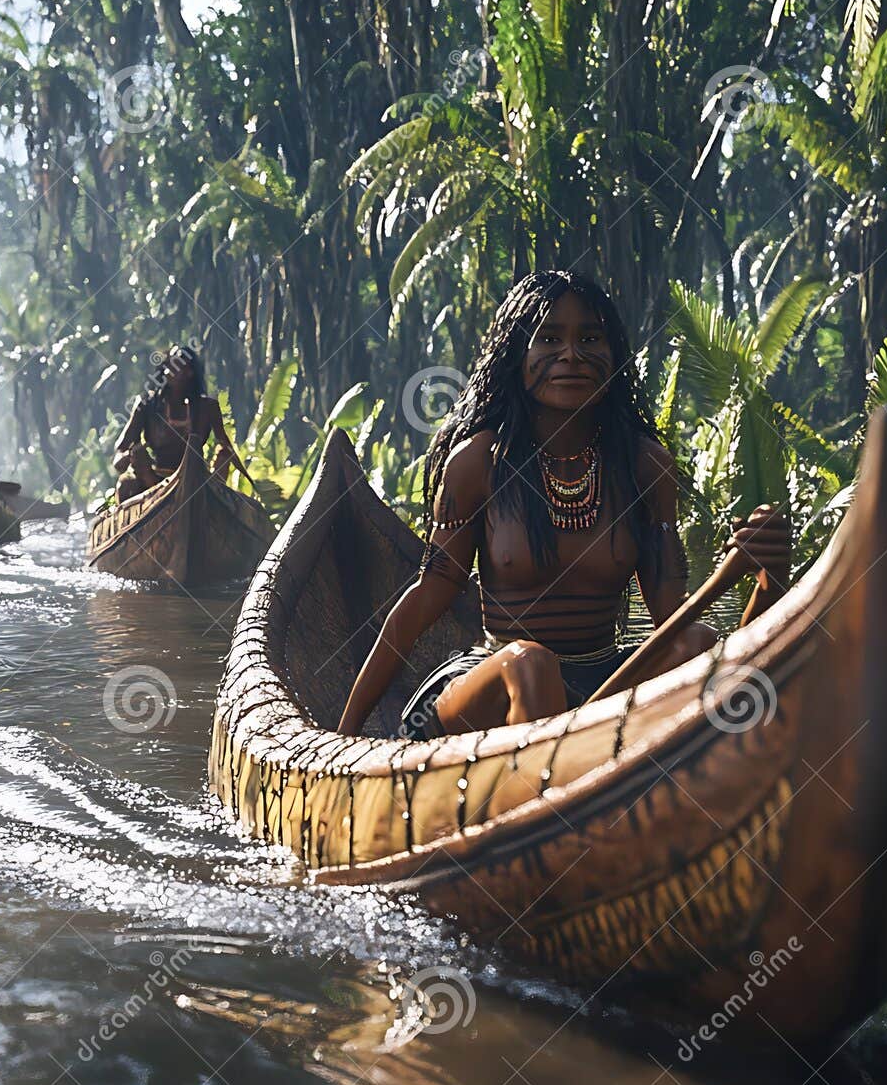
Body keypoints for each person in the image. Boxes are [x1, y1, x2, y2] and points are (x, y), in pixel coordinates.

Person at [336, 270, 791, 739]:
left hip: (606, 680)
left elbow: (674, 622)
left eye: (590, 338)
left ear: (612, 355)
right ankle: (542, 797)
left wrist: (767, 579)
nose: (572, 355)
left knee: (697, 642)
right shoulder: (479, 462)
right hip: (498, 680)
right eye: (549, 338)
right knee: (533, 664)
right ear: (518, 356)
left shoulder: (644, 467)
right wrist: (346, 733)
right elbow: (424, 598)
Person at [113, 345, 249, 501]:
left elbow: (226, 447)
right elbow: (119, 453)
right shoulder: (147, 405)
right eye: (171, 363)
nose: (174, 368)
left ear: (190, 372)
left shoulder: (207, 408)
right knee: (126, 486)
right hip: (152, 481)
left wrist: (221, 466)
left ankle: (211, 501)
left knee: (224, 458)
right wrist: (131, 458)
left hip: (196, 482)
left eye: (180, 364)